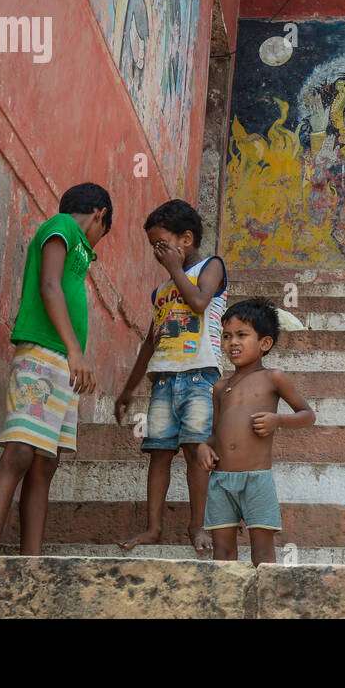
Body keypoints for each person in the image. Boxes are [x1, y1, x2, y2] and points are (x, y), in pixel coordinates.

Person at [0, 183, 112, 558]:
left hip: (62, 363)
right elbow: (50, 285)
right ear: (100, 215)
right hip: (42, 353)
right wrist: (74, 350)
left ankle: (32, 561)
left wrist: (72, 355)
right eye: (104, 232)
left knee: (45, 462)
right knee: (20, 450)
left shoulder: (79, 247)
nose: (98, 242)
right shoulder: (63, 226)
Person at [115, 199, 226, 554]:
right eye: (152, 247)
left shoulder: (212, 267)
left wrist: (177, 269)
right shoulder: (162, 291)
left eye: (161, 244)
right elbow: (150, 342)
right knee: (159, 453)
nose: (156, 253)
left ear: (186, 239)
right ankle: (154, 527)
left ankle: (197, 526)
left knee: (196, 450)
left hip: (199, 377)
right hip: (164, 380)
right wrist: (129, 389)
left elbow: (198, 302)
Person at [195, 298, 314, 566]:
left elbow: (307, 415)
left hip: (256, 480)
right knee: (222, 552)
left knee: (262, 551)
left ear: (265, 344)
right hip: (221, 481)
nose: (232, 343)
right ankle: (226, 603)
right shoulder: (219, 387)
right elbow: (217, 433)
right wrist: (205, 445)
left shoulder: (273, 378)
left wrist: (277, 420)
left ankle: (264, 602)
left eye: (241, 335)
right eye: (226, 336)